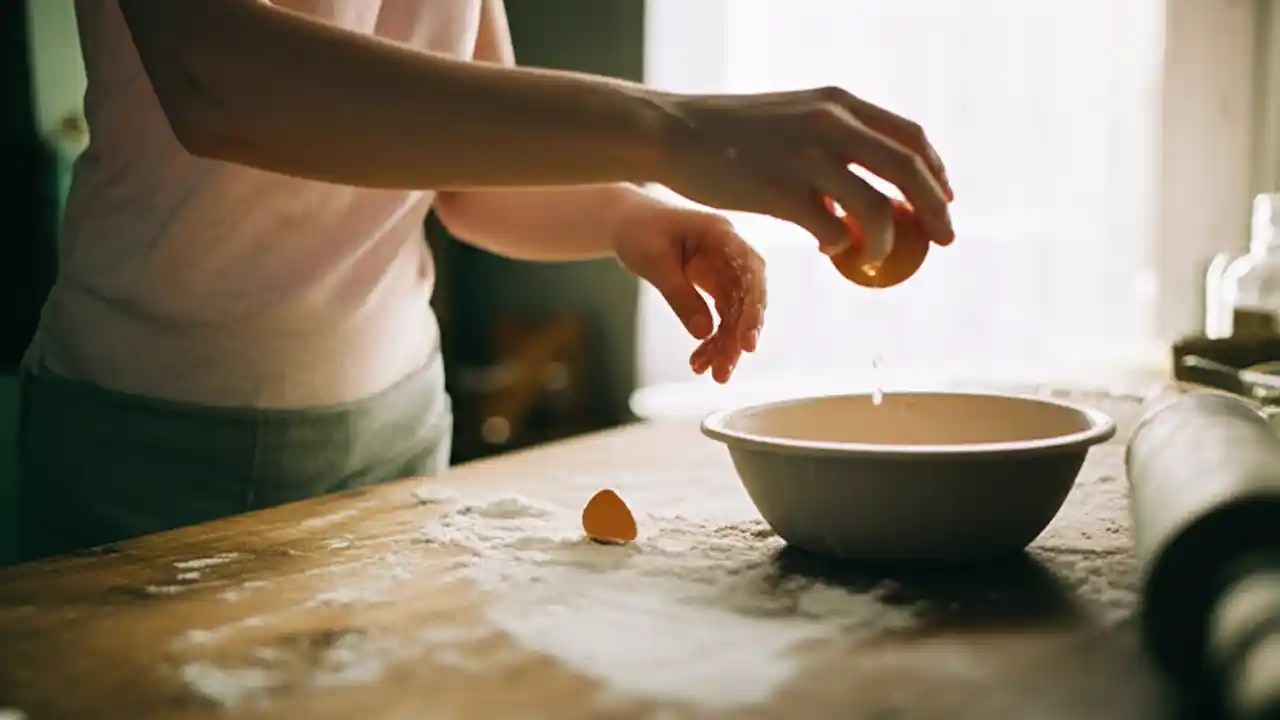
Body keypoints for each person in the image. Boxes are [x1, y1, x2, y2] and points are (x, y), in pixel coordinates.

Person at [18, 0, 955, 560]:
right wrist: (672, 129)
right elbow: (215, 82)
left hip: (389, 437)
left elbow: (468, 174)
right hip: (138, 440)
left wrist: (634, 216)